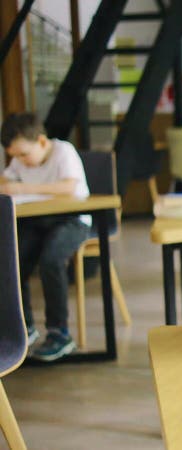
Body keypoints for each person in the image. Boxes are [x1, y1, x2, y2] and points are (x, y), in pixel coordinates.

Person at [0, 112, 91, 361]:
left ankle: (59, 333)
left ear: (41, 141)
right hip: (38, 222)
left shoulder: (64, 152)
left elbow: (69, 187)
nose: (21, 161)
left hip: (72, 220)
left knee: (51, 260)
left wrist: (23, 188)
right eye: (15, 156)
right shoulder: (19, 160)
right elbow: (6, 179)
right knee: (12, 262)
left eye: (24, 154)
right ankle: (23, 327)